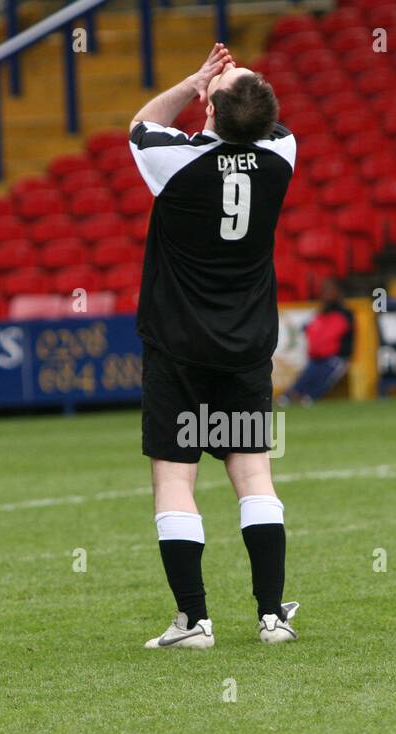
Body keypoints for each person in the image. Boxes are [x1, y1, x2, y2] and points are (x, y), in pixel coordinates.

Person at [127, 44, 299, 650]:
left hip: (177, 349)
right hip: (247, 347)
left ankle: (193, 621)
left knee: (175, 482)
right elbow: (256, 121)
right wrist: (227, 89)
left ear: (210, 108)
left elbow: (141, 123)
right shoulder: (282, 155)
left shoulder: (175, 161)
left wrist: (194, 79)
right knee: (254, 476)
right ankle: (272, 615)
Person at [282, 277, 354, 404]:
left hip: (336, 359)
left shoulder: (345, 315)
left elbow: (332, 339)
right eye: (324, 290)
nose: (326, 293)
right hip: (317, 359)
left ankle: (309, 397)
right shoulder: (319, 315)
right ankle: (291, 395)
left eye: (330, 289)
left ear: (338, 292)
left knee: (324, 374)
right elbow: (309, 332)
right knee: (306, 375)